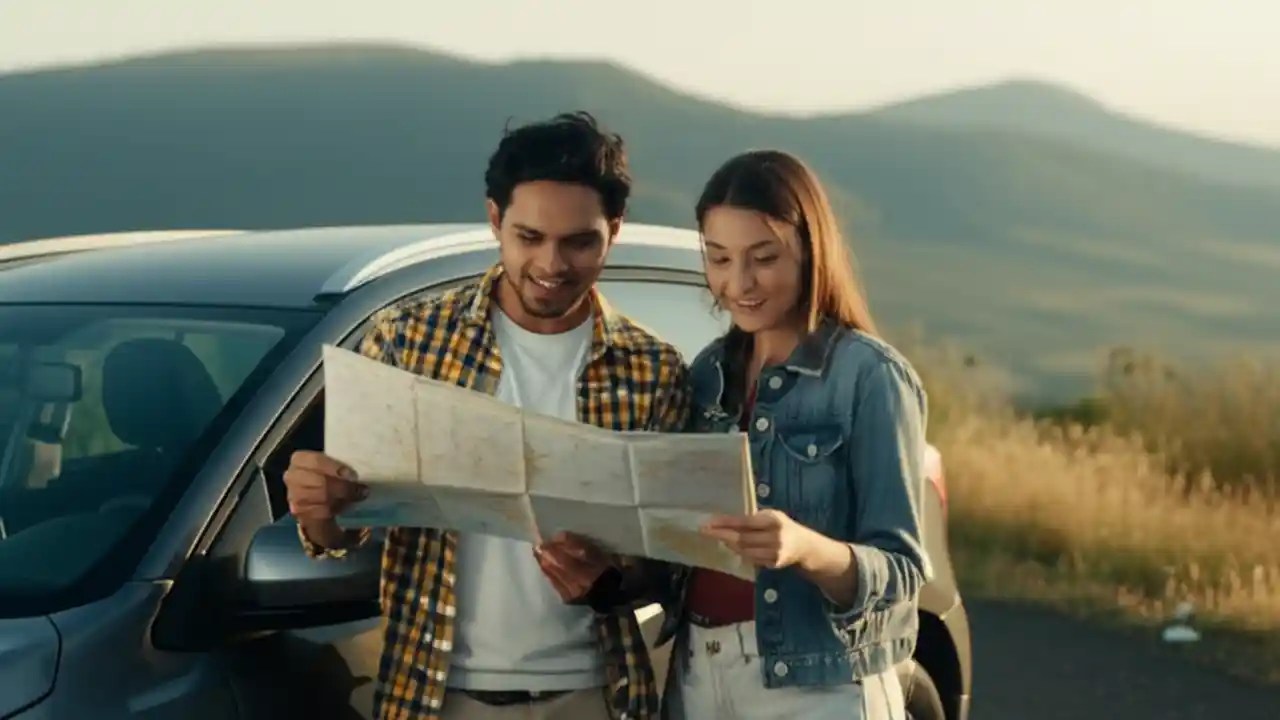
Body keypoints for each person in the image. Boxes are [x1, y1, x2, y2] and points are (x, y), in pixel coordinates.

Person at [282, 111, 690, 720]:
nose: (552, 264)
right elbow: (349, 530)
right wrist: (318, 513)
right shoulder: (405, 342)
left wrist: (613, 582)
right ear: (495, 219)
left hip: (598, 696)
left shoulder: (652, 368)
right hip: (435, 694)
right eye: (530, 237)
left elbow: (676, 564)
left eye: (579, 241)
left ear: (615, 230)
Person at [656, 150, 932, 719]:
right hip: (697, 672)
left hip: (818, 686)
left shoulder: (870, 377)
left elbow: (902, 572)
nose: (739, 283)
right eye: (719, 259)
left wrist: (805, 549)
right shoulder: (706, 375)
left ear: (811, 251)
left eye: (763, 258)